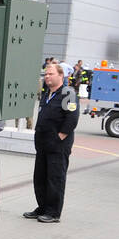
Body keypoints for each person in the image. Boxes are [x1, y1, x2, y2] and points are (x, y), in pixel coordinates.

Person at [24, 61, 78, 223]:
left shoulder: (68, 93)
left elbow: (72, 118)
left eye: (51, 74)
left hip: (57, 146)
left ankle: (53, 212)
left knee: (55, 179)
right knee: (40, 178)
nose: (47, 77)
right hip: (42, 144)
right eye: (46, 74)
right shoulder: (47, 92)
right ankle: (42, 207)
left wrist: (60, 137)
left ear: (61, 75)